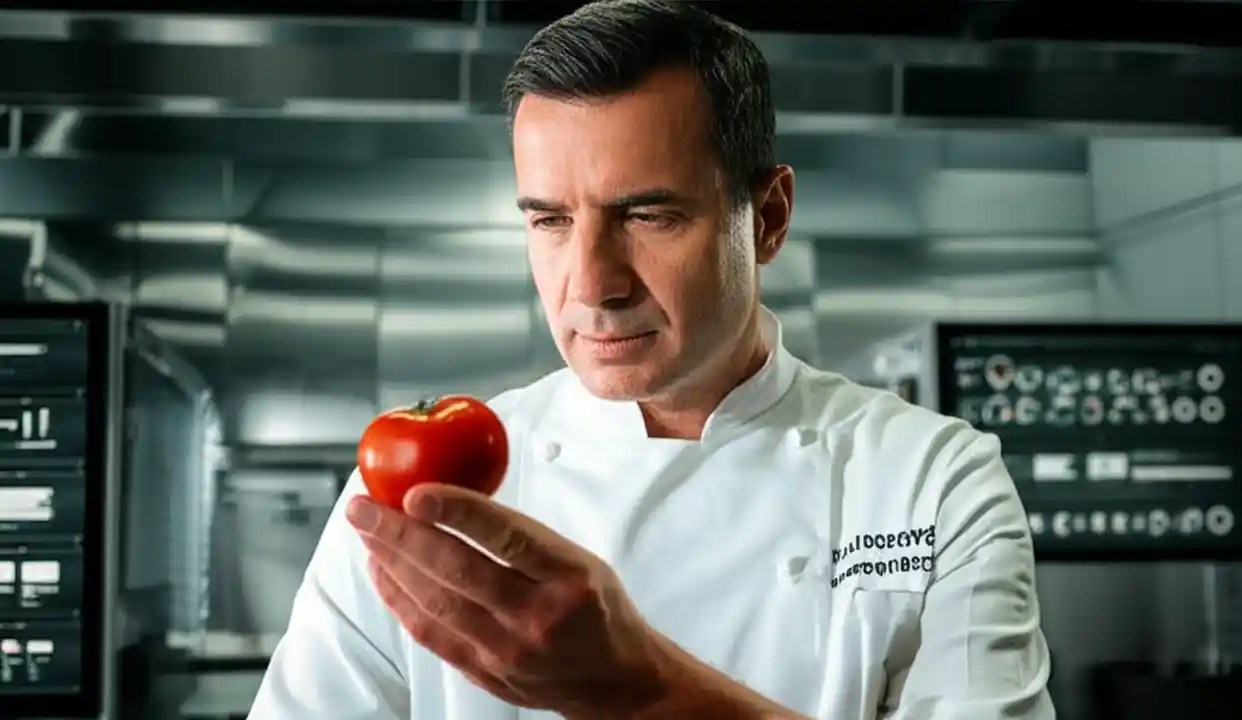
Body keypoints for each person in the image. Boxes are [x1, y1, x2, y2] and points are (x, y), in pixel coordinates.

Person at [247, 1, 1055, 718]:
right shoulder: (423, 489)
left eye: (648, 214)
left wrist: (642, 693)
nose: (592, 285)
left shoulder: (932, 479)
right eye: (551, 221)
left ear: (767, 218)